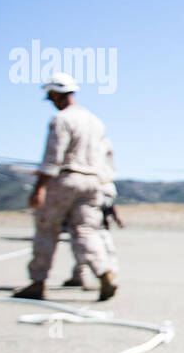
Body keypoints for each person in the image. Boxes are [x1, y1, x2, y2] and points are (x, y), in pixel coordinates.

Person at [13, 73, 119, 302]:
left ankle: (38, 282)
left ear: (55, 94)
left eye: (51, 96)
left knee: (46, 228)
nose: (50, 101)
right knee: (86, 230)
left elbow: (53, 156)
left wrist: (39, 187)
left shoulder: (61, 119)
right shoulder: (95, 121)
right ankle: (104, 272)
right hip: (93, 182)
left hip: (67, 180)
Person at [63, 139, 124, 289]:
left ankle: (98, 272)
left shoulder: (91, 141)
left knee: (82, 232)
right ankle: (92, 273)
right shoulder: (100, 138)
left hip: (88, 183)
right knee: (92, 232)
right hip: (101, 186)